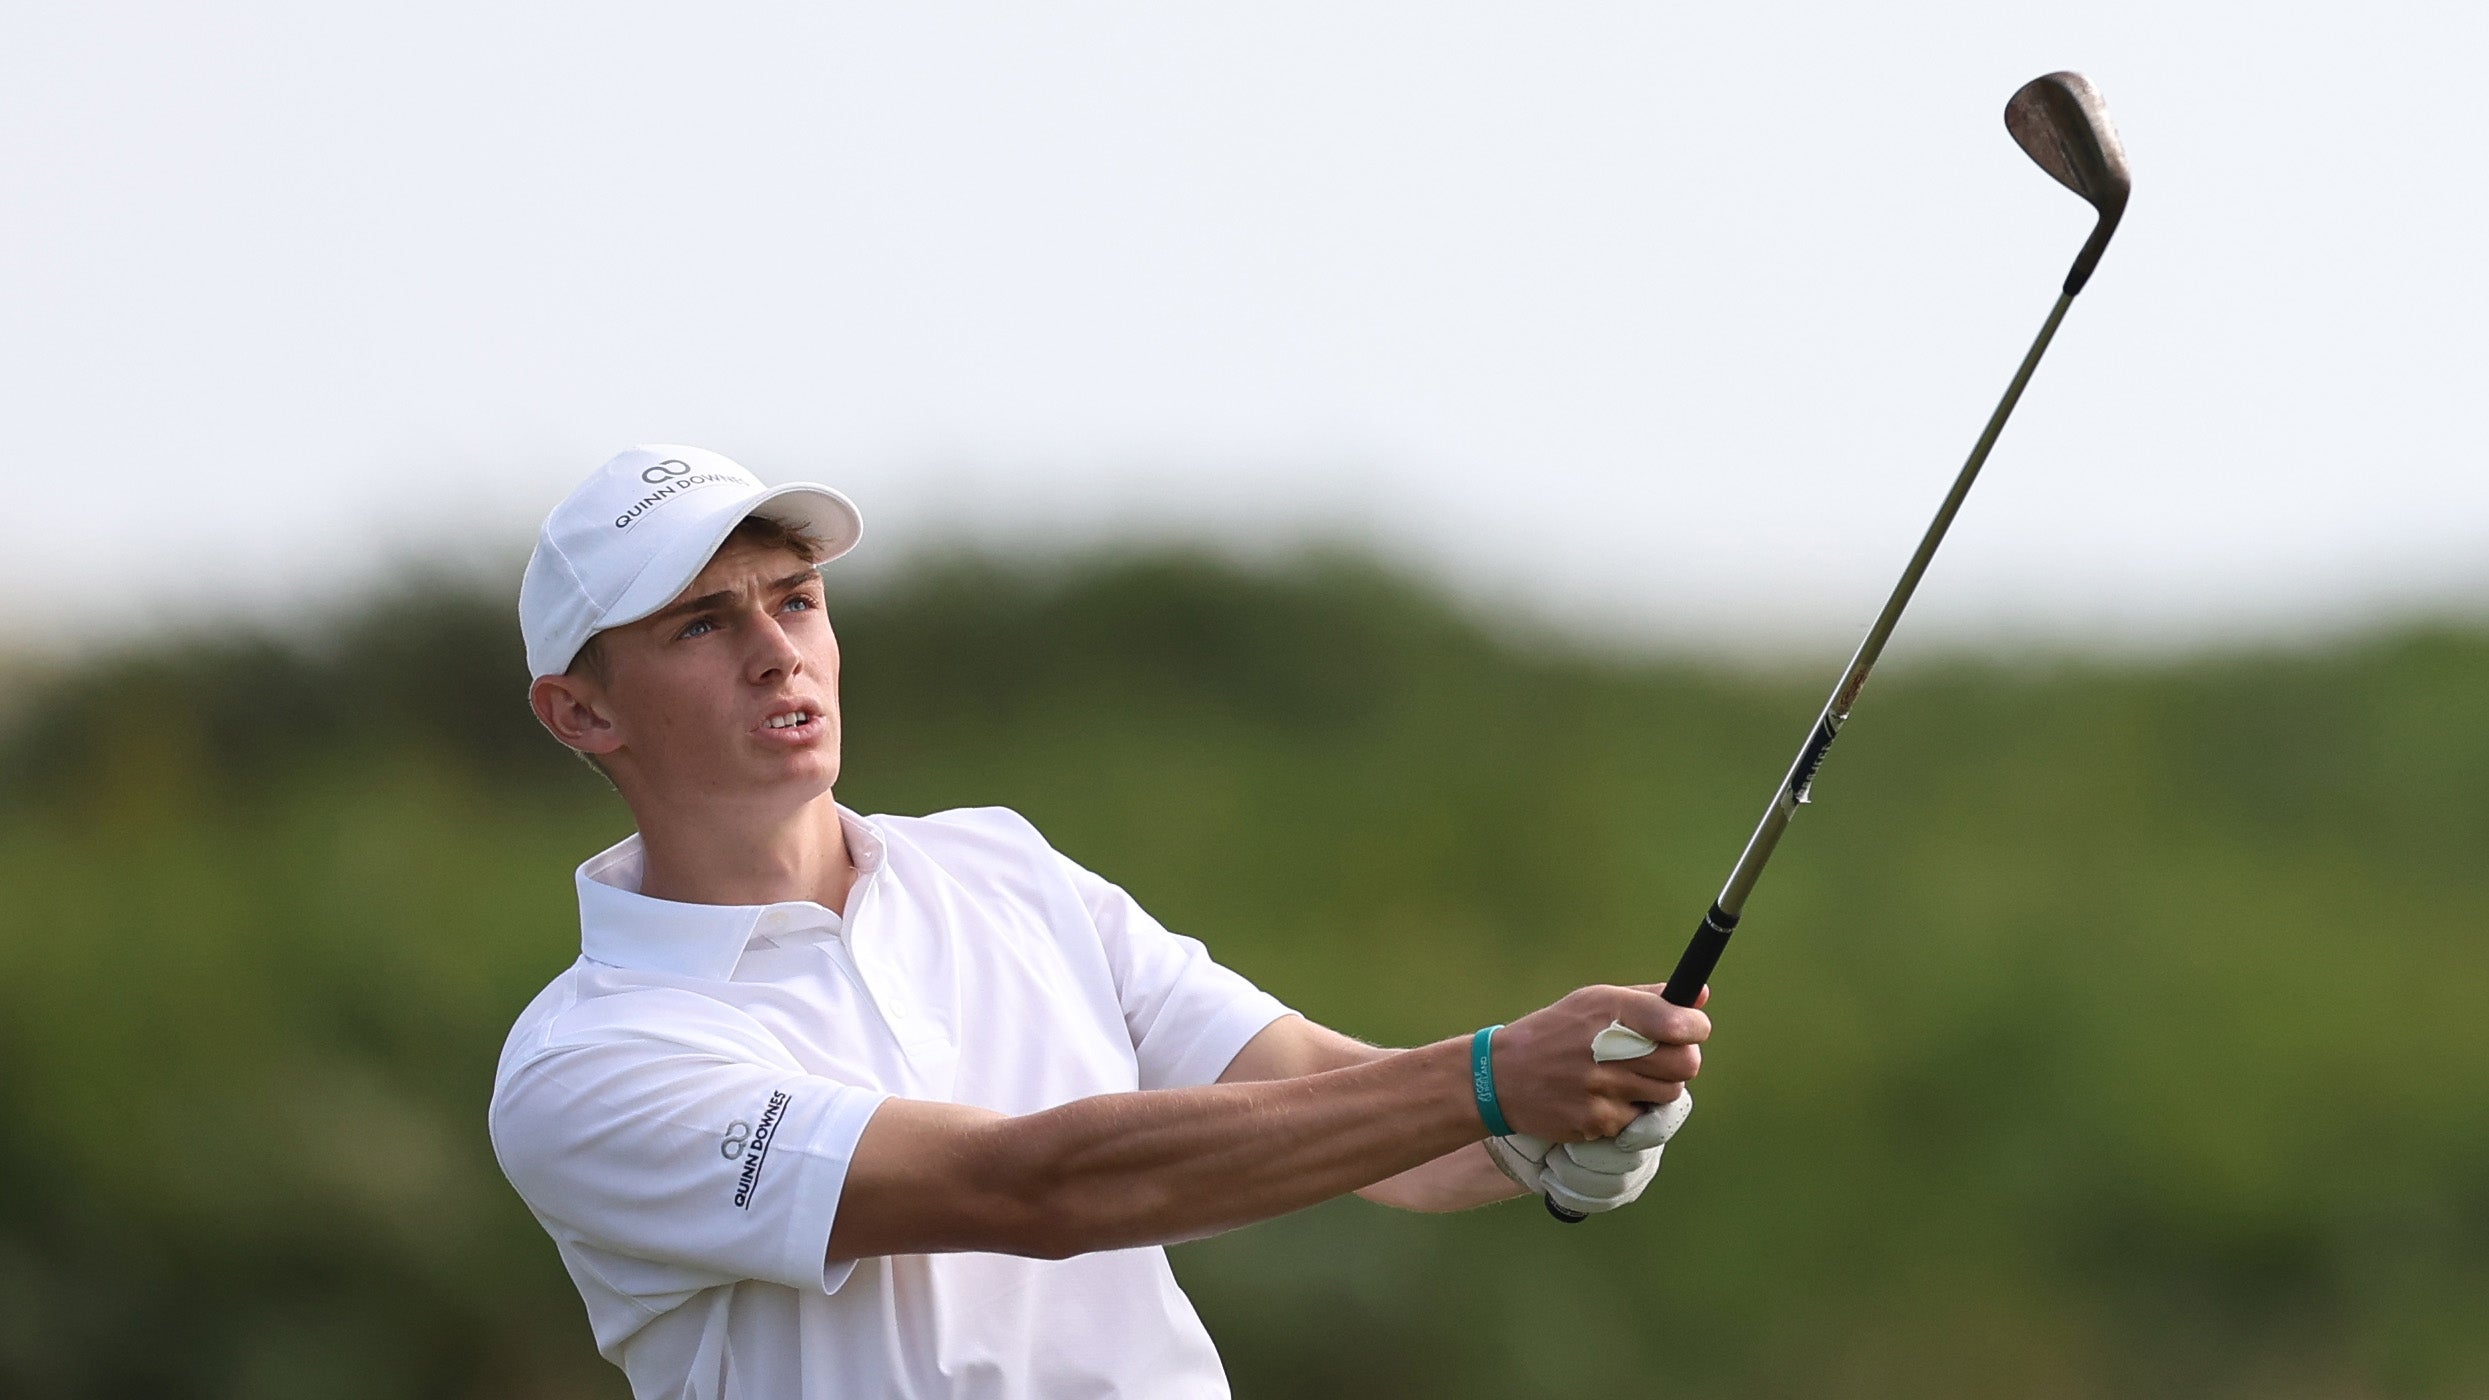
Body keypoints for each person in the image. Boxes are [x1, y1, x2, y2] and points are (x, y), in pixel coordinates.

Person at [489, 445, 1714, 1399]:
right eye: (702, 623)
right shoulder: (589, 1063)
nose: (777, 654)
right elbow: (1031, 1187)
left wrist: (1544, 1134)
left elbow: (1351, 1110)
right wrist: (1495, 1076)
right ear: (579, 713)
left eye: (796, 599)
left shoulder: (1000, 864)